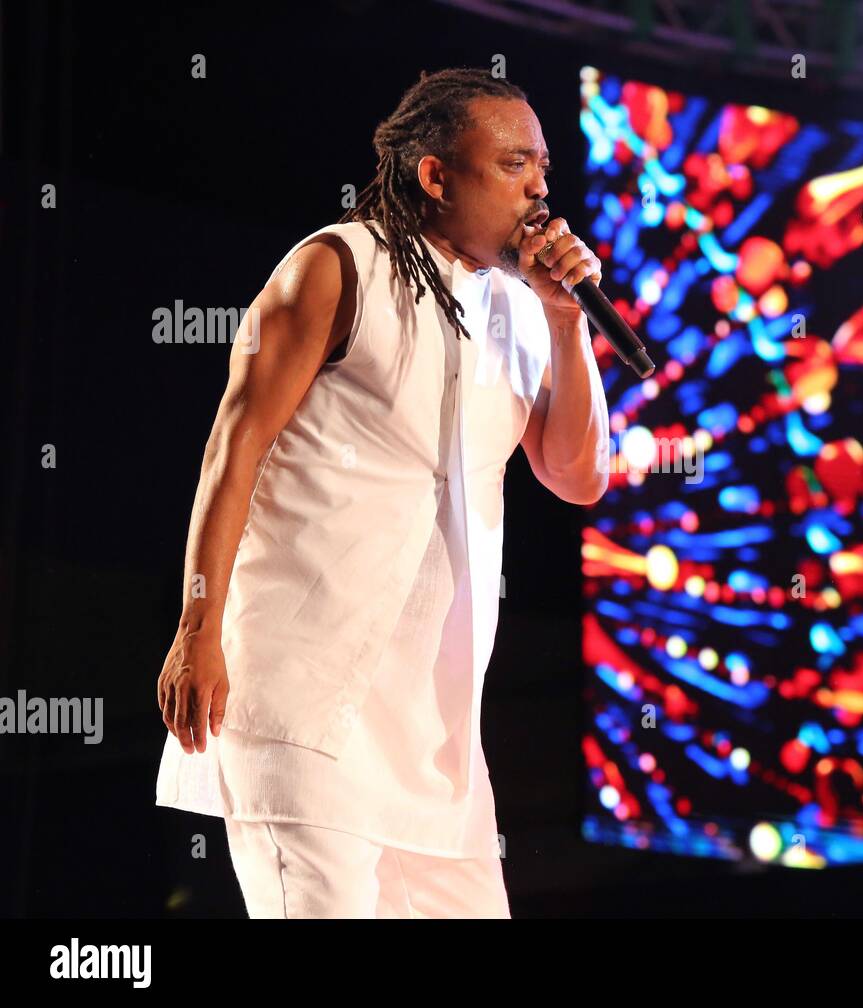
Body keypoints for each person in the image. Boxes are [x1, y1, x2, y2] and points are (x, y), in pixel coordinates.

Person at [154, 67, 610, 918]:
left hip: (437, 746)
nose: (540, 187)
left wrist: (564, 319)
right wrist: (197, 627)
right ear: (435, 174)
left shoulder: (521, 307)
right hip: (306, 707)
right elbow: (235, 443)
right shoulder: (334, 265)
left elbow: (580, 477)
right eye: (514, 164)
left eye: (543, 167)